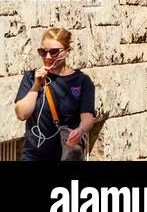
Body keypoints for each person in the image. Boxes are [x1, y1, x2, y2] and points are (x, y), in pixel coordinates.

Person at [13, 27, 96, 162]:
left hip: (66, 155)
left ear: (67, 52)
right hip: (33, 156)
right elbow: (22, 114)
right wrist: (36, 84)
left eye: (54, 52)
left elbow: (88, 116)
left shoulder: (82, 81)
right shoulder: (31, 77)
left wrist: (80, 131)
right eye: (43, 52)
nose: (48, 57)